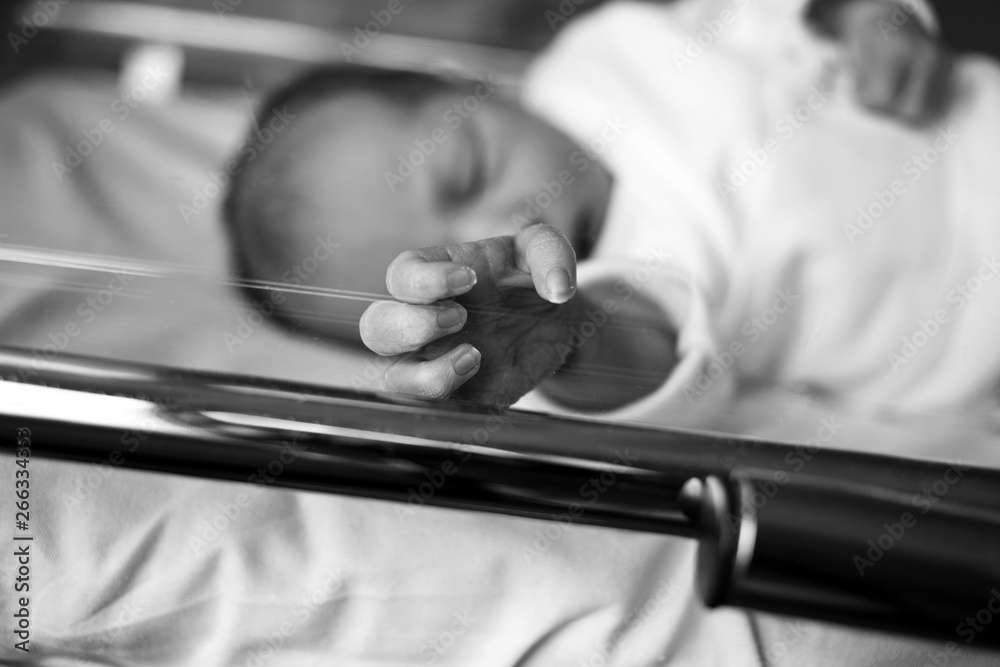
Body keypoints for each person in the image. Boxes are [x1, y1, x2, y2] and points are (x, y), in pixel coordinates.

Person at [223, 0, 999, 419]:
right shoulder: (607, 298)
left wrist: (872, 20)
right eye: (456, 282)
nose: (497, 234)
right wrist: (563, 339)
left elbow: (774, 19)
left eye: (471, 168)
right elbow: (664, 362)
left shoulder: (607, 54)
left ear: (477, 90)